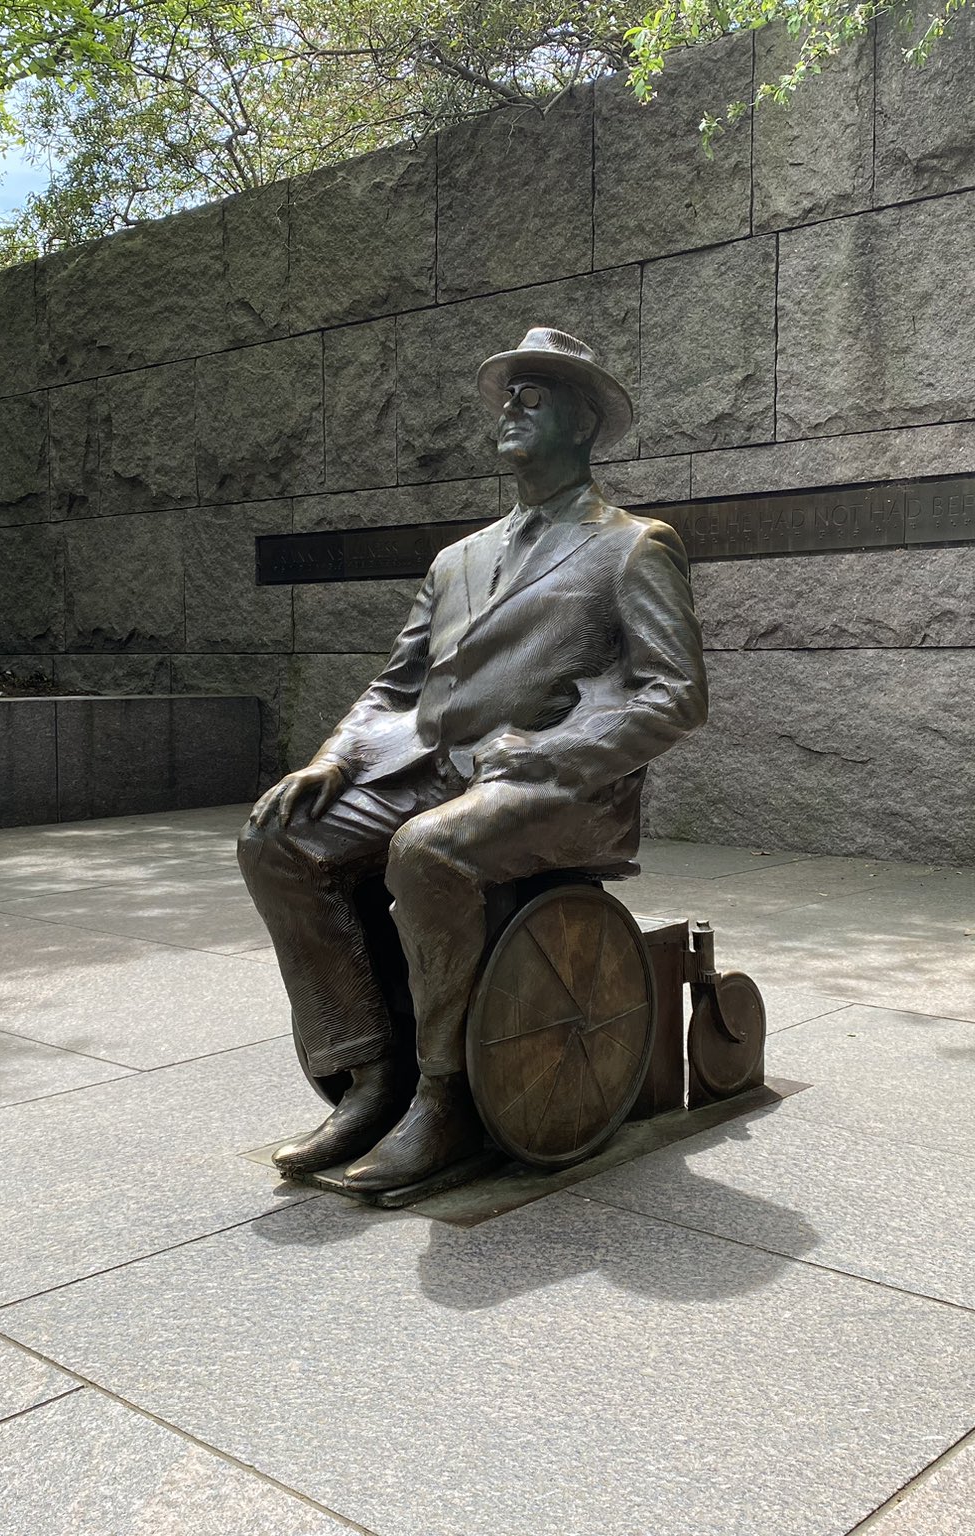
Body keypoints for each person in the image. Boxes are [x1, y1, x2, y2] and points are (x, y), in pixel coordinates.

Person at [238, 327, 706, 1191]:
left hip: (556, 784)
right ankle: (370, 1076)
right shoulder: (457, 559)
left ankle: (445, 1100)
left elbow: (674, 694)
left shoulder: (633, 545)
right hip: (424, 766)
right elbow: (395, 685)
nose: (512, 408)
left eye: (537, 395)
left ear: (583, 422)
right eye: (508, 396)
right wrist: (333, 760)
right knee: (277, 841)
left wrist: (553, 751)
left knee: (429, 851)